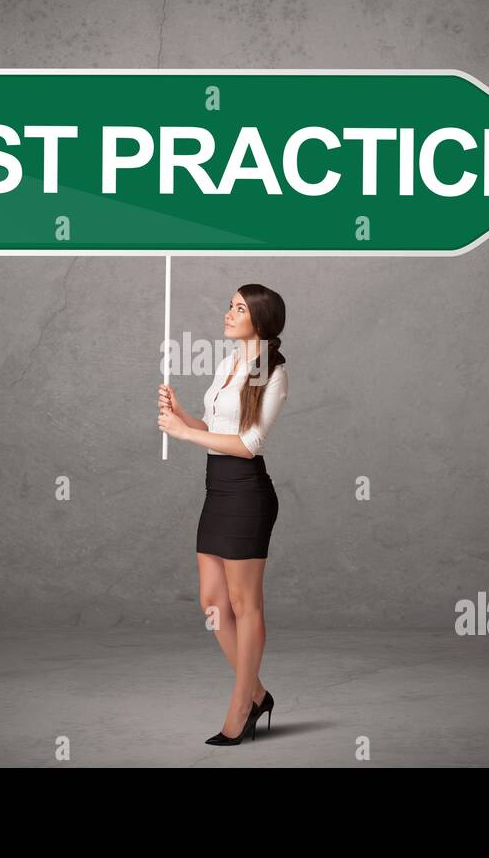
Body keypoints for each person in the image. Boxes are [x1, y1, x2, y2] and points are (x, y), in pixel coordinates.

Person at [158, 283, 288, 745]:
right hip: (217, 492)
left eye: (238, 308)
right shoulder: (229, 363)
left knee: (243, 605)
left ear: (260, 319)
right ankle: (256, 692)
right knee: (213, 604)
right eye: (230, 305)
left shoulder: (273, 373)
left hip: (248, 497)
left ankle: (241, 706)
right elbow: (217, 430)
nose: (228, 313)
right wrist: (183, 416)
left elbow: (249, 446)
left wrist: (185, 435)